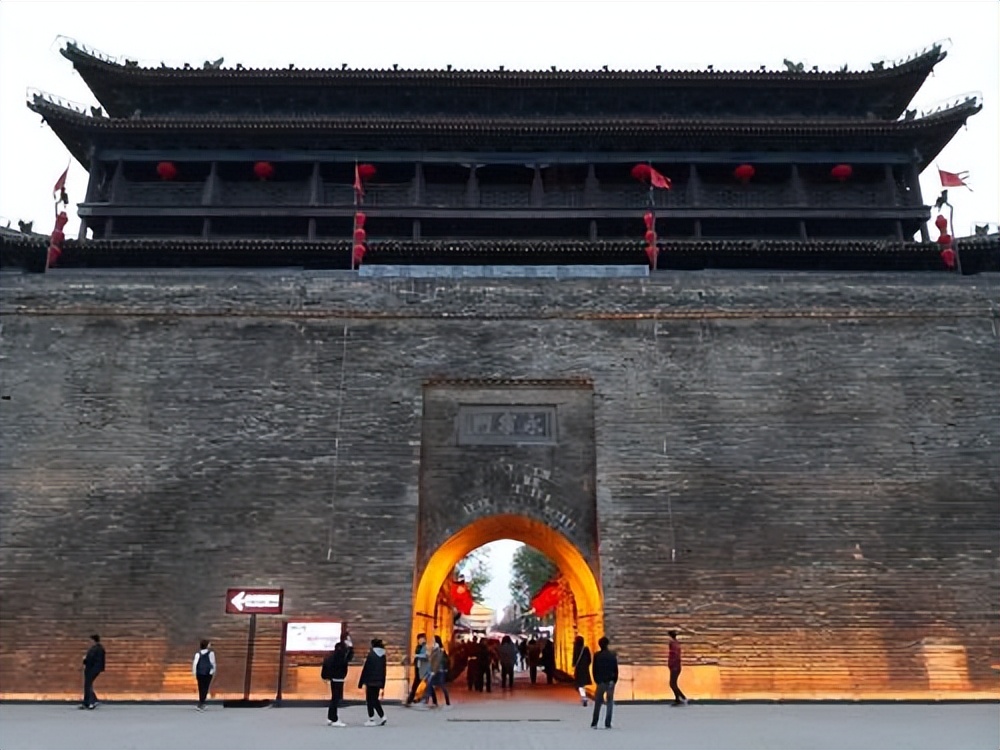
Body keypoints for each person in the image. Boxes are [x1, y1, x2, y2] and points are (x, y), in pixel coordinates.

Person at [321, 634, 353, 726]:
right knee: (336, 699)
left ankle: (330, 717)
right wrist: (350, 648)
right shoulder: (340, 657)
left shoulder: (331, 656)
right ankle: (334, 718)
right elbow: (348, 659)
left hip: (333, 679)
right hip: (338, 679)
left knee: (334, 698)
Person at [358, 638, 387, 726]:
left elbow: (366, 669)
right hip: (378, 681)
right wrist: (383, 683)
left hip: (370, 680)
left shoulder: (371, 655)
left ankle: (371, 718)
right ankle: (382, 716)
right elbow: (384, 670)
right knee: (375, 699)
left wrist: (361, 682)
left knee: (369, 700)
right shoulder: (383, 656)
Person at [590, 636, 618, 729]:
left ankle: (595, 722)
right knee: (610, 702)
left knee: (598, 702)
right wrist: (614, 681)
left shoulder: (597, 655)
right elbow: (615, 669)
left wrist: (596, 680)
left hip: (601, 681)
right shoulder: (612, 655)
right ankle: (608, 722)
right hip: (610, 681)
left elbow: (594, 669)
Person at [421, 635, 451, 709]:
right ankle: (432, 700)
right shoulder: (437, 649)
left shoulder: (438, 649)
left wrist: (433, 670)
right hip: (437, 670)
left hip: (438, 670)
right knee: (432, 685)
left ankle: (427, 700)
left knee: (436, 685)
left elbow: (436, 661)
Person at [81, 634, 105, 710]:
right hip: (92, 669)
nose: (89, 642)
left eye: (90, 640)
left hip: (93, 669)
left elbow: (92, 659)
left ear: (93, 640)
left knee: (88, 685)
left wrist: (85, 659)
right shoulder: (96, 648)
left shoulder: (97, 649)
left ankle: (91, 702)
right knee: (88, 685)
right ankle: (88, 702)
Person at [404, 633, 429, 706]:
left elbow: (426, 656)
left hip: (423, 668)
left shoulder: (425, 647)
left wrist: (417, 655)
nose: (419, 640)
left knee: (425, 684)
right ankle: (410, 700)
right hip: (418, 668)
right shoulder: (418, 647)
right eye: (419, 639)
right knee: (416, 685)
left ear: (424, 639)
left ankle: (410, 700)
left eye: (421, 639)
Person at [191, 639, 216, 711]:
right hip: (208, 673)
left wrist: (194, 672)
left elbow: (195, 664)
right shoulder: (211, 653)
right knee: (205, 687)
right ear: (207, 645)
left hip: (199, 673)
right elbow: (213, 663)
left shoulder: (198, 654)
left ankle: (201, 702)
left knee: (201, 687)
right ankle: (202, 702)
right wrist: (213, 671)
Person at [668, 630, 689, 706]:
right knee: (673, 683)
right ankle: (678, 699)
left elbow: (675, 656)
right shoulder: (676, 644)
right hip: (675, 666)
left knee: (672, 684)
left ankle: (682, 698)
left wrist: (672, 665)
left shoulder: (673, 645)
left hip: (675, 666)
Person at [572, 635, 592, 706]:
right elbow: (590, 659)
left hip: (578, 669)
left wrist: (574, 665)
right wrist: (586, 665)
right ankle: (584, 696)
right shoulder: (586, 648)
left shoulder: (576, 648)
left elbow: (574, 659)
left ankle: (584, 697)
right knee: (582, 684)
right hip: (585, 669)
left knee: (579, 684)